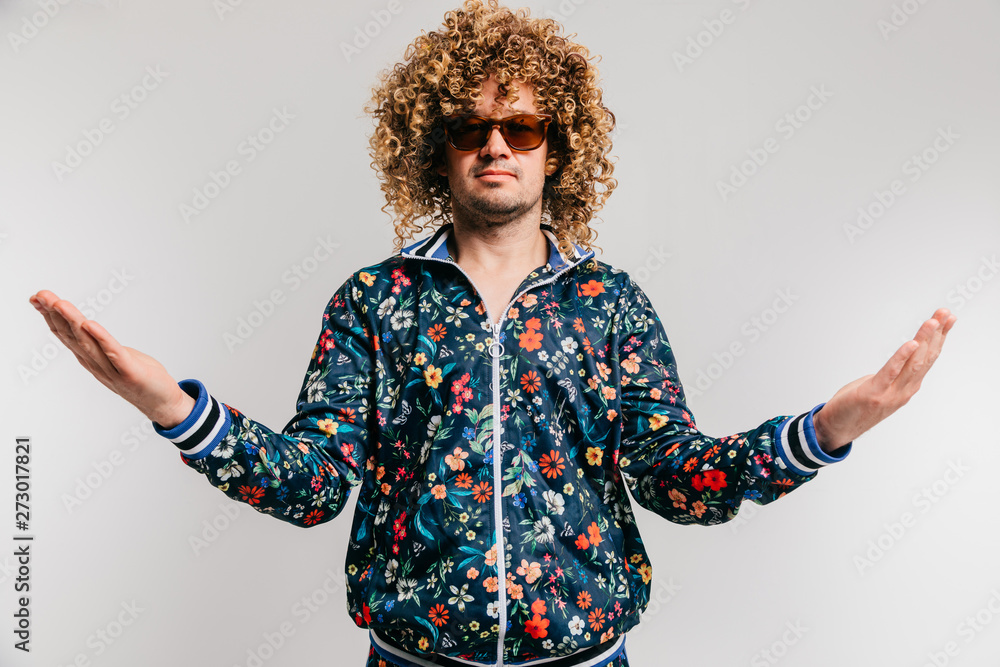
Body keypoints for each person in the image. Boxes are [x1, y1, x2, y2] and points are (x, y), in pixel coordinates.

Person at [28, 2, 956, 666]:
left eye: (522, 124)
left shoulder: (609, 304)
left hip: (589, 659)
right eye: (471, 125)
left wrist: (828, 429)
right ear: (437, 147)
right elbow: (311, 486)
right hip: (412, 659)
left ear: (559, 145)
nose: (497, 144)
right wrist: (165, 403)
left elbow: (679, 479)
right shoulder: (374, 301)